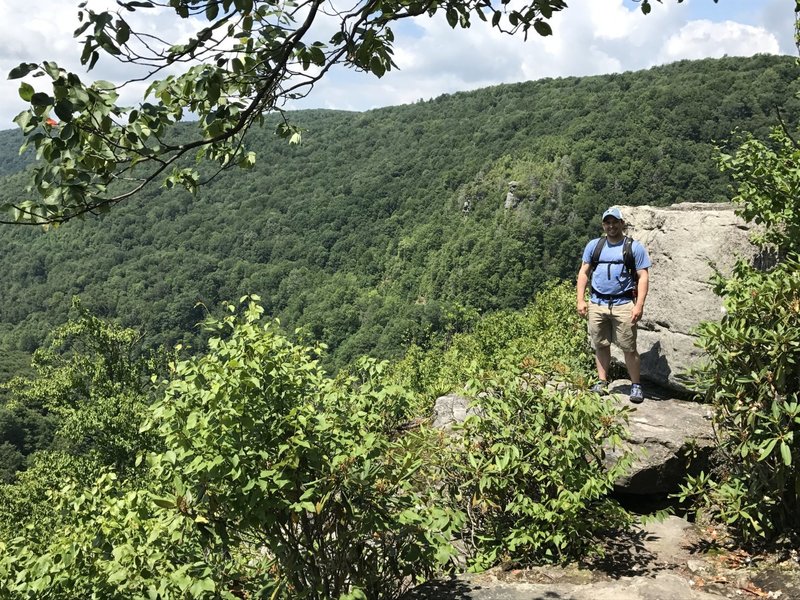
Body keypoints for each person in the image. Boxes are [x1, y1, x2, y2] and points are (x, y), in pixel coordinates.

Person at [576, 206, 651, 403]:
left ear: (621, 223)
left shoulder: (634, 247)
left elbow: (643, 276)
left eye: (614, 222)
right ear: (603, 225)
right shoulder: (594, 246)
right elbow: (583, 272)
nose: (611, 226)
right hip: (597, 303)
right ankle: (602, 382)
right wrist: (581, 300)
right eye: (607, 223)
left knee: (629, 347)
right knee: (600, 344)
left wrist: (639, 305)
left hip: (623, 304)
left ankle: (635, 385)